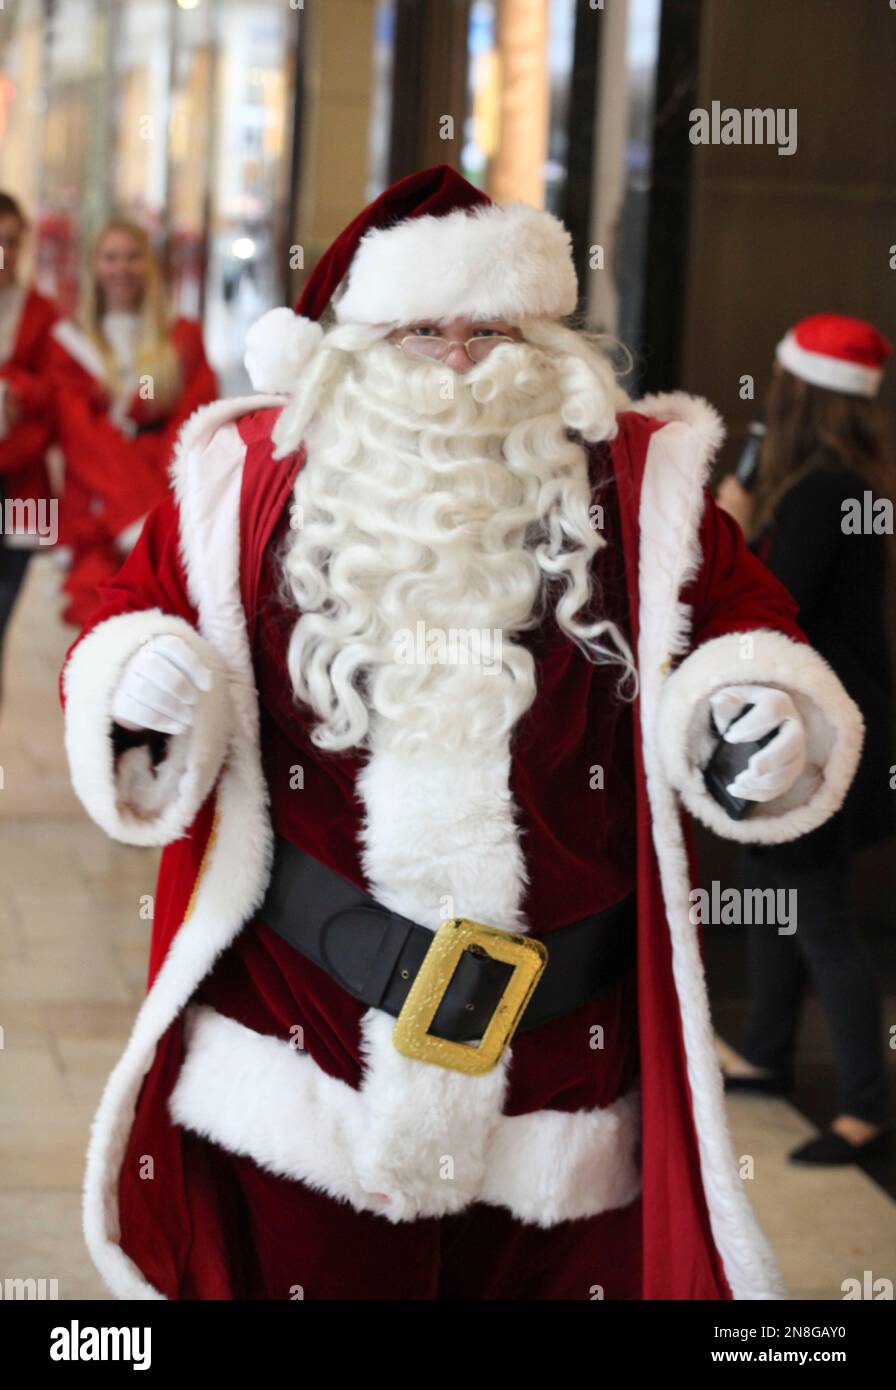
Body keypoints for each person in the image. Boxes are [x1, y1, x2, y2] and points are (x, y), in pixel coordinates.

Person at [60, 167, 864, 1301]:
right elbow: (130, 618)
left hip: (562, 1074)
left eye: (490, 329)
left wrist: (757, 705)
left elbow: (744, 623)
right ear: (353, 345)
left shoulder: (638, 482)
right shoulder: (244, 483)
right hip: (304, 1050)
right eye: (420, 330)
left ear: (544, 336)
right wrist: (135, 679)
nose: (457, 360)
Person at [717, 313, 894, 1165]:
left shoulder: (824, 491)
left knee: (815, 910)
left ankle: (865, 1106)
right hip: (818, 718)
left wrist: (734, 526)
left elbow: (779, 602)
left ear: (798, 394)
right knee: (770, 887)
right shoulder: (835, 482)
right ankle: (767, 1052)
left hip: (825, 730)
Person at [49, 217, 217, 627]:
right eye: (110, 258)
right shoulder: (68, 342)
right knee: (98, 622)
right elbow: (80, 435)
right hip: (95, 504)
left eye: (132, 257)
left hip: (167, 491)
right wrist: (136, 510)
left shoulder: (182, 336)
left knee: (171, 619)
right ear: (94, 266)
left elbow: (194, 421)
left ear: (149, 265)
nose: (121, 268)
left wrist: (159, 504)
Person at [0, 192, 59, 695]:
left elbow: (54, 397)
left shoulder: (42, 311)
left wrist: (14, 389)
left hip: (25, 483)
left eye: (11, 243)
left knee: (6, 605)